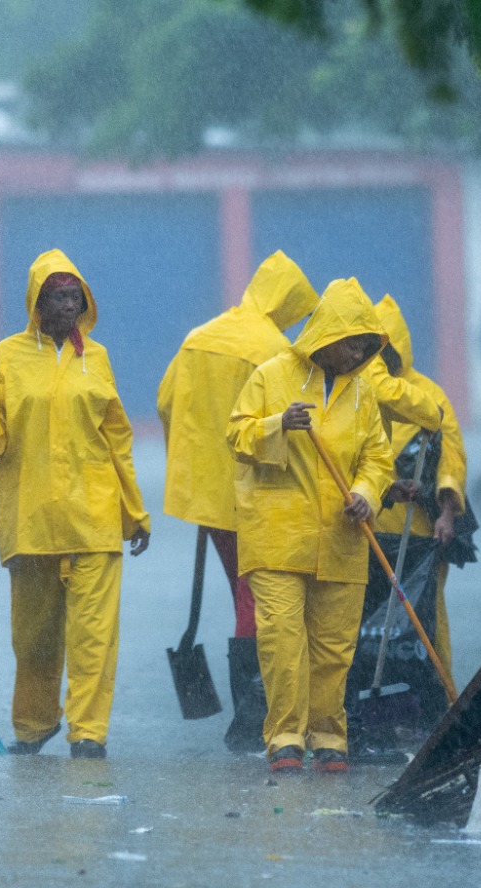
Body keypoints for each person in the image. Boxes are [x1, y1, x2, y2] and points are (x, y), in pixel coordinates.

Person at [0, 249, 151, 760]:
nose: (69, 305)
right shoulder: (8, 356)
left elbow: (118, 441)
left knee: (93, 638)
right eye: (58, 297)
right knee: (34, 639)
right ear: (37, 302)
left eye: (76, 297)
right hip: (31, 521)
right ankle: (34, 724)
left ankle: (87, 733)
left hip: (93, 518)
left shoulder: (99, 358)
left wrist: (134, 513)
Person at [226, 278, 394, 773]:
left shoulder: (362, 393)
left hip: (341, 537)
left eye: (366, 345)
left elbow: (378, 458)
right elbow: (236, 434)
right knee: (281, 637)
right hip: (277, 533)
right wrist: (278, 423)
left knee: (334, 645)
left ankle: (329, 736)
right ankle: (284, 737)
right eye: (353, 343)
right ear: (327, 337)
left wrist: (365, 495)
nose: (359, 353)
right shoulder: (271, 375)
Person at [156, 251, 318, 752]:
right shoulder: (275, 348)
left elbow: (166, 403)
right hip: (259, 493)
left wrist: (195, 465)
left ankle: (258, 716)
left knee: (243, 594)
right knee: (264, 601)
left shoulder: (198, 337)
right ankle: (256, 718)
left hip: (208, 494)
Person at [370, 294, 469, 687]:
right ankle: (374, 705)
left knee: (423, 617)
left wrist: (447, 513)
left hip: (421, 532)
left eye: (384, 348)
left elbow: (452, 457)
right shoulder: (358, 392)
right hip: (372, 526)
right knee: (372, 623)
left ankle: (436, 697)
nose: (379, 357)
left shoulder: (428, 394)